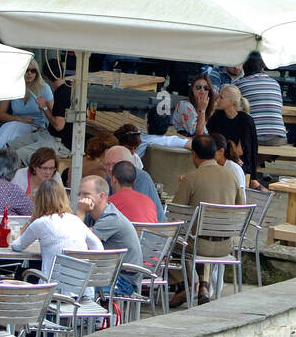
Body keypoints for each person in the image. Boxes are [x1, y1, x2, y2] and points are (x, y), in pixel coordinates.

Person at [176, 135, 245, 305]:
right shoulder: (232, 176)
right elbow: (241, 209)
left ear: (194, 155)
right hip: (227, 245)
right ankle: (203, 284)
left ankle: (189, 285)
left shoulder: (191, 178)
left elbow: (176, 215)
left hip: (199, 245)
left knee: (176, 239)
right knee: (201, 234)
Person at [10, 178, 102, 280]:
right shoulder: (76, 220)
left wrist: (31, 220)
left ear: (39, 200)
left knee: (21, 272)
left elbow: (16, 245)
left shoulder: (41, 223)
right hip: (81, 288)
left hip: (53, 288)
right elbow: (97, 246)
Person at [74, 174, 143, 297]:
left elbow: (74, 240)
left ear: (101, 196)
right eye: (79, 194)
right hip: (105, 273)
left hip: (123, 280)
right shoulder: (91, 215)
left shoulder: (111, 218)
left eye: (86, 194)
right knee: (65, 282)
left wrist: (80, 212)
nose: (81, 199)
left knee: (70, 286)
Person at [0, 57, 60, 158]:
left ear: (37, 73)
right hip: (17, 126)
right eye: (26, 70)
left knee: (11, 127)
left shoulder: (44, 88)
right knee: (12, 127)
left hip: (38, 128)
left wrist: (44, 107)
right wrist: (19, 119)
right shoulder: (12, 87)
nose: (29, 73)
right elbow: (0, 114)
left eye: (33, 71)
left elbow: (54, 114)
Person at [207, 85, 261, 187]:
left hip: (237, 160)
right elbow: (210, 139)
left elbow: (241, 151)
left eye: (221, 98)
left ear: (231, 101)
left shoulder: (245, 120)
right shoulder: (217, 116)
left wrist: (230, 155)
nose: (217, 100)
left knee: (234, 167)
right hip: (219, 156)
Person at [236, 54, 287, 143]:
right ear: (262, 68)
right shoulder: (275, 83)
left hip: (252, 135)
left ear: (244, 69)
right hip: (278, 136)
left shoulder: (240, 84)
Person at [103, 145, 164, 218]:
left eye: (114, 164)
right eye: (107, 164)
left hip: (150, 228)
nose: (110, 169)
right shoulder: (108, 178)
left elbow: (137, 211)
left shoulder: (141, 178)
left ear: (128, 164)